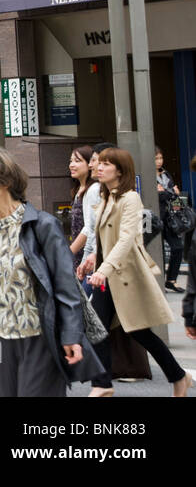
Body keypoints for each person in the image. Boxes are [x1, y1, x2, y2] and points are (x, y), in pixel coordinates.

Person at [0, 146, 102, 397]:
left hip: (38, 337)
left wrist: (71, 335)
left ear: (4, 178)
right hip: (0, 341)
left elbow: (65, 287)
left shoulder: (43, 226)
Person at [80, 147, 192, 398]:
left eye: (106, 164)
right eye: (99, 164)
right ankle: (102, 384)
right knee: (97, 327)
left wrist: (104, 269)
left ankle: (178, 375)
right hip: (107, 273)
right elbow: (105, 238)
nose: (99, 167)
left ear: (120, 171)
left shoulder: (130, 198)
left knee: (138, 331)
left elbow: (127, 239)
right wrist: (92, 258)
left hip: (125, 276)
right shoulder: (105, 196)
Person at [155, 147, 184, 292]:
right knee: (157, 250)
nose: (159, 162)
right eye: (156, 159)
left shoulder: (165, 174)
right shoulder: (147, 175)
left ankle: (171, 279)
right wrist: (170, 193)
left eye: (160, 158)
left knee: (177, 247)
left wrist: (177, 209)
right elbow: (161, 196)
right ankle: (159, 280)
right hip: (156, 217)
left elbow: (174, 195)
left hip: (170, 217)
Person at [66, 145, 100, 270]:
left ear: (89, 164)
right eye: (71, 161)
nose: (72, 165)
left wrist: (68, 253)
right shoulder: (78, 190)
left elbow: (89, 228)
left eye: (77, 161)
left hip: (89, 256)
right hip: (81, 255)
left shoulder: (94, 189)